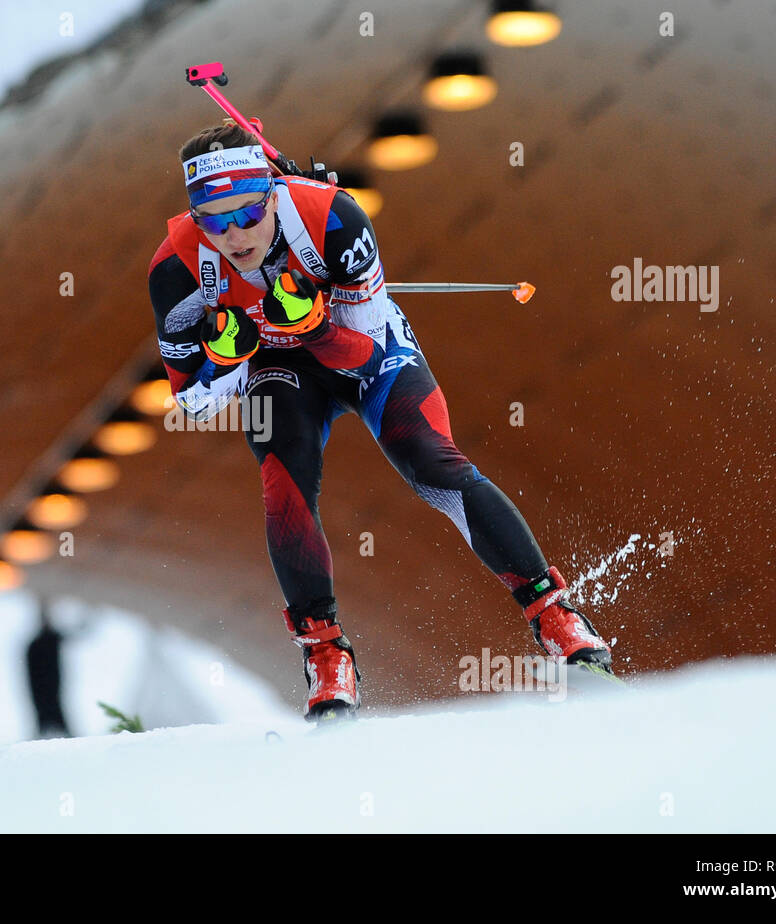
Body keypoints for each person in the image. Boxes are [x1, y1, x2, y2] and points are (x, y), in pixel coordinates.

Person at [147, 121, 613, 720]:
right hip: (277, 371)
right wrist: (223, 358)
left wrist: (312, 326)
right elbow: (192, 404)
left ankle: (554, 614)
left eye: (245, 213)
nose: (234, 235)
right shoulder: (176, 273)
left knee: (431, 460)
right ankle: (325, 653)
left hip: (355, 348)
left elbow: (365, 353)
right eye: (213, 220)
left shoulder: (334, 220)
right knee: (283, 486)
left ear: (271, 192)